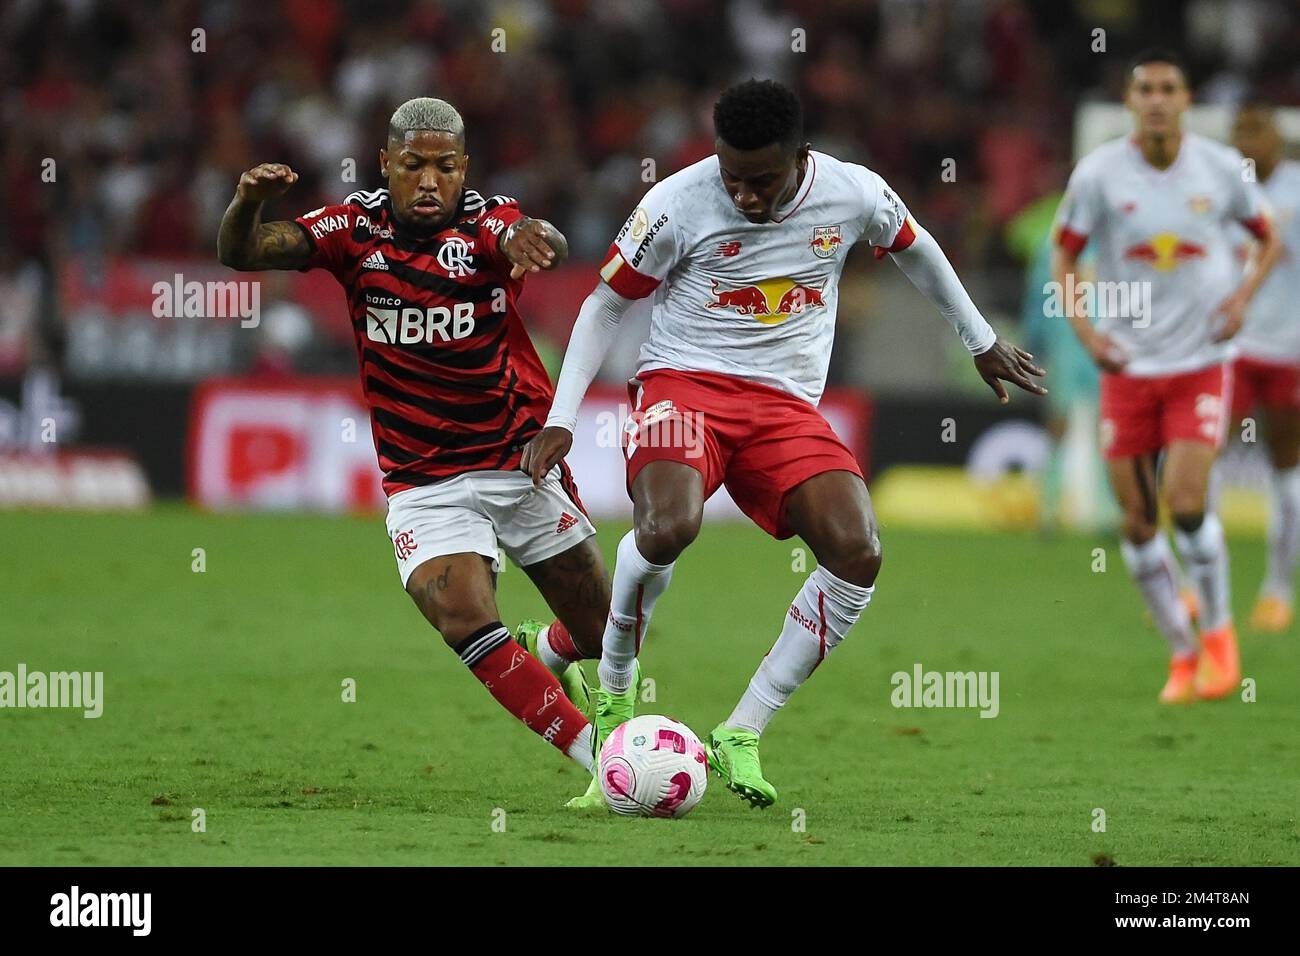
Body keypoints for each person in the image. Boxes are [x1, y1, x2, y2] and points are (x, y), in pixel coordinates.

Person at [524, 78, 1045, 808]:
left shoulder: (852, 192)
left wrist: (981, 340)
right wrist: (563, 415)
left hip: (784, 406)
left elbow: (916, 246)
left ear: (801, 157)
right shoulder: (676, 202)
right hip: (683, 385)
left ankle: (742, 729)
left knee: (858, 551)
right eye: (731, 176)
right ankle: (614, 696)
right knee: (668, 526)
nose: (743, 194)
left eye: (761, 180)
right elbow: (606, 302)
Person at [218, 97, 612, 789]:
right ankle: (604, 762)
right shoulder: (353, 228)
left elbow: (526, 231)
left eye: (445, 167)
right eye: (413, 165)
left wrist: (534, 235)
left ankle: (547, 649)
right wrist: (248, 200)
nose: (429, 181)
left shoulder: (486, 223)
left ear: (465, 169)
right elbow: (242, 252)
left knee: (602, 636)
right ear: (385, 164)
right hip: (423, 481)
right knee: (464, 617)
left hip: (516, 461)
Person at [1052, 51, 1280, 703]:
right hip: (1127, 366)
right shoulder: (1098, 174)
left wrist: (1242, 300)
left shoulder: (1219, 169)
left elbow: (1267, 237)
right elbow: (1064, 255)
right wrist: (1087, 334)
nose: (1156, 99)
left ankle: (1220, 638)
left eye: (1168, 89)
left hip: (1199, 363)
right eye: (1145, 89)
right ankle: (1182, 652)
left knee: (1185, 504)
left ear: (1186, 101)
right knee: (1136, 523)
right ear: (1129, 102)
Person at [1229, 102, 1300, 632]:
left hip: (1289, 351)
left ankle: (1277, 588)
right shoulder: (1224, 188)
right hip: (1232, 346)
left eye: (1256, 133)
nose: (1248, 143)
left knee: (1286, 466)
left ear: (1276, 140)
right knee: (1202, 453)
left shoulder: (1297, 189)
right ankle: (1198, 585)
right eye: (1240, 133)